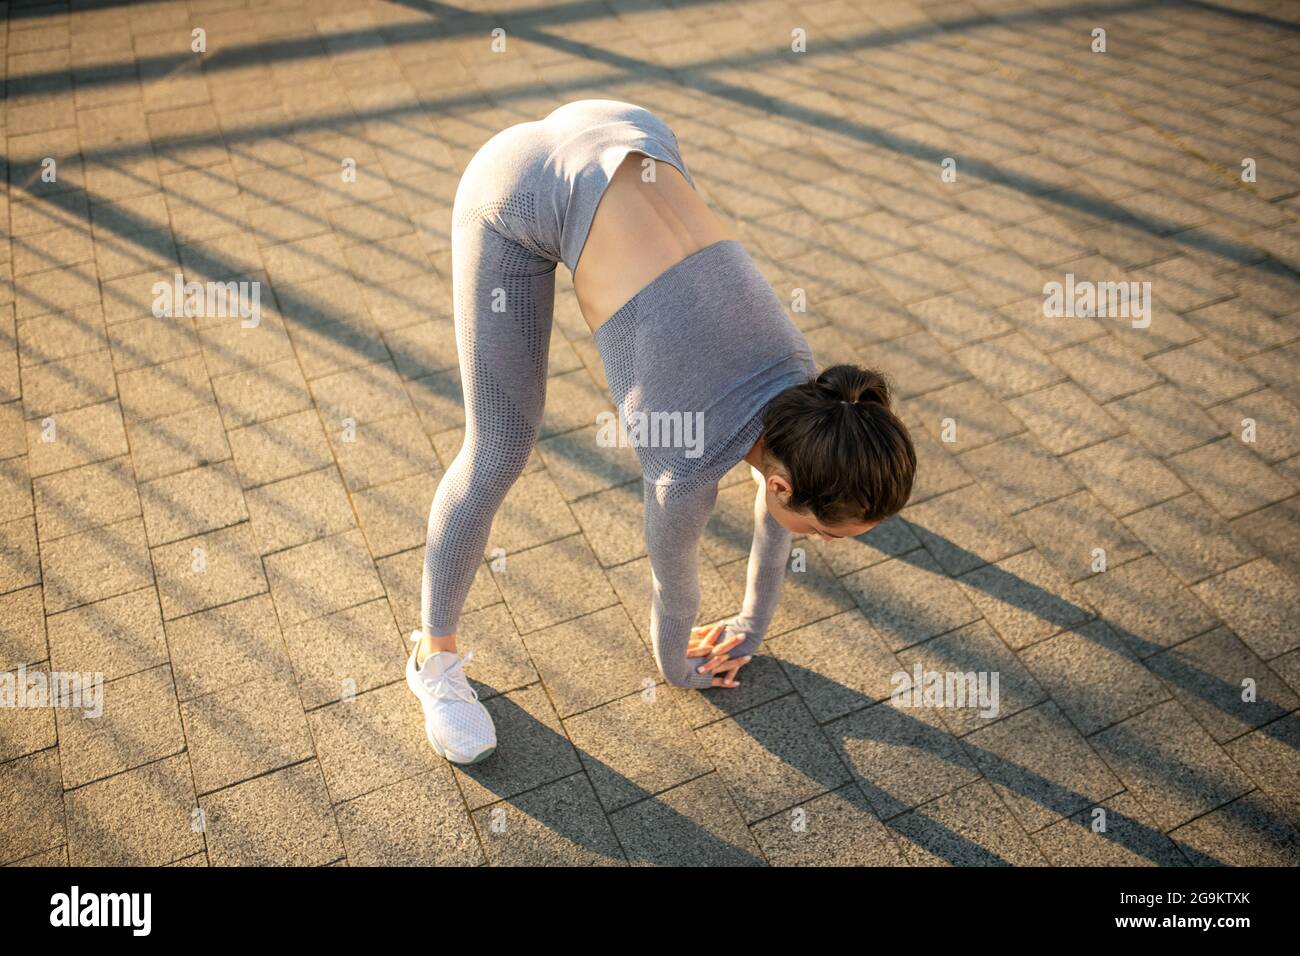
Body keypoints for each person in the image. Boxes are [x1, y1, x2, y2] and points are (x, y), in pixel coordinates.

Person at [406, 99, 916, 764]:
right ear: (786, 483)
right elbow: (675, 591)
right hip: (515, 191)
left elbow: (780, 491)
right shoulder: (685, 472)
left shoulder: (807, 387)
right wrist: (680, 668)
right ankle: (432, 657)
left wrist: (749, 627)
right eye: (824, 531)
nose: (818, 541)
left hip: (627, 128)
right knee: (499, 447)